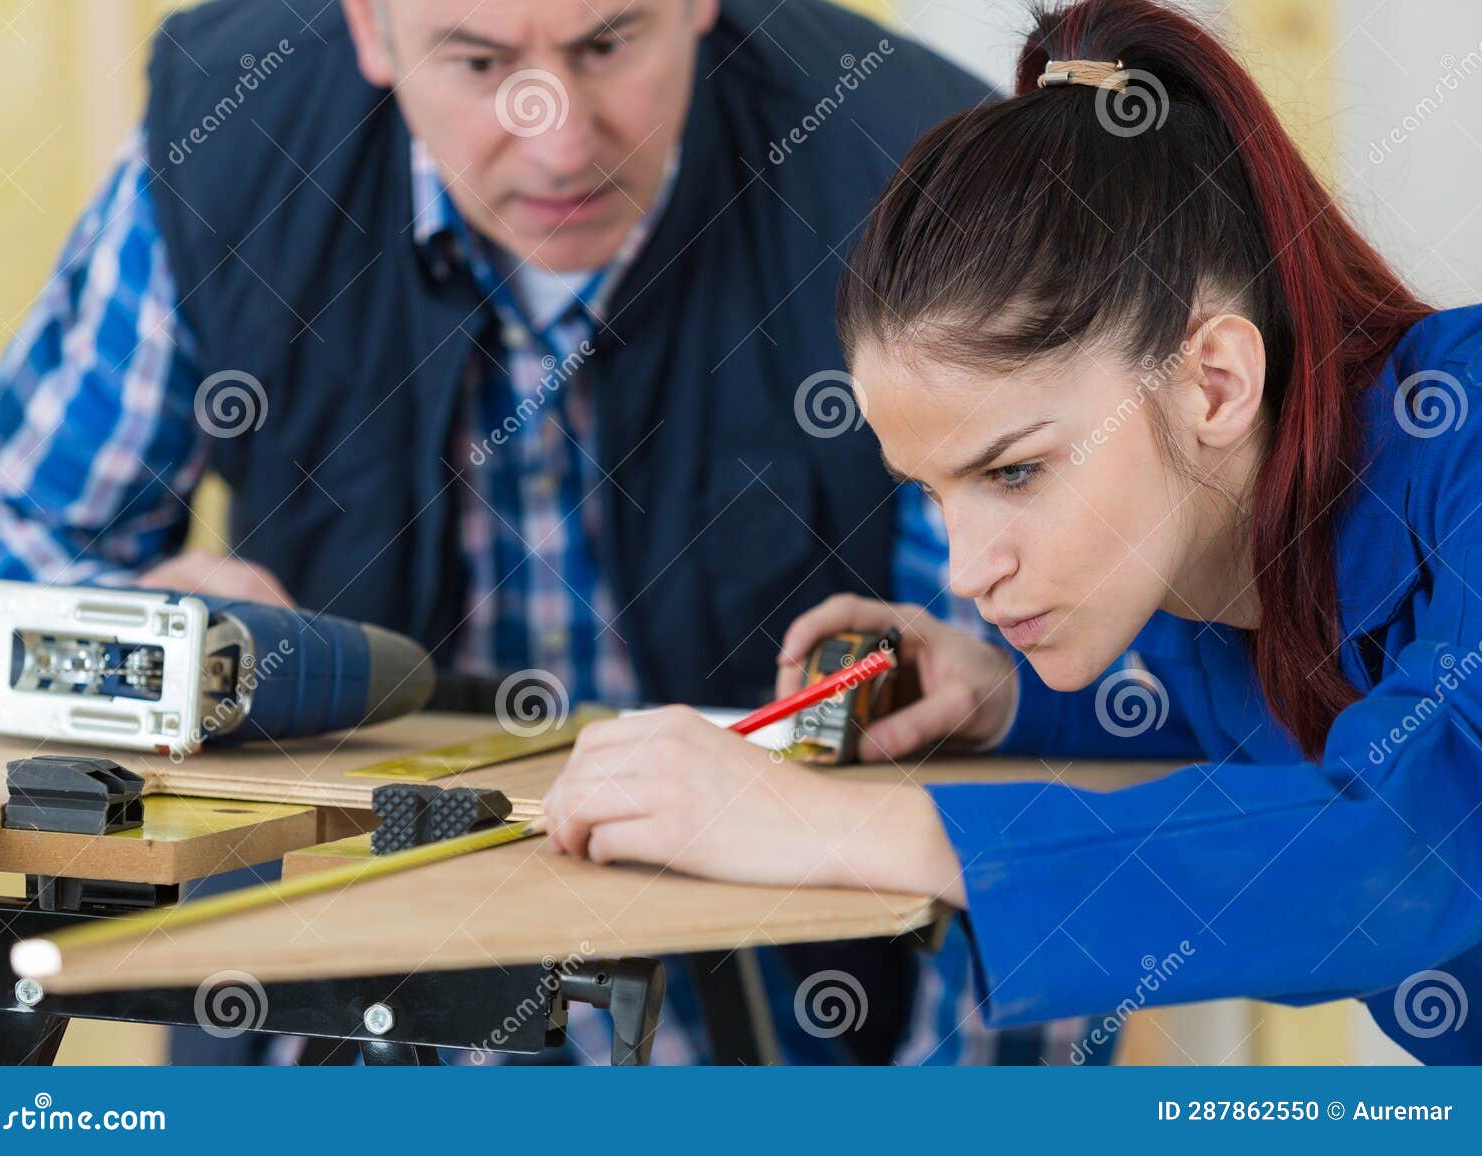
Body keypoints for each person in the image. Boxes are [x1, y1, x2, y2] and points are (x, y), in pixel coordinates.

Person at [0, 0, 1101, 1065]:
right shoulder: (229, 138)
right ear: (370, 25)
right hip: (316, 1017)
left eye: (607, 39)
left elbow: (1028, 751)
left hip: (766, 1035)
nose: (559, 137)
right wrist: (138, 620)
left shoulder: (908, 171)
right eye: (477, 61)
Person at [541, 0, 1482, 1064]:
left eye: (1016, 470)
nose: (969, 568)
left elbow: (1407, 846)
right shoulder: (1201, 552)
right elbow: (1256, 707)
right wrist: (1001, 696)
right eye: (934, 494)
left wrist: (827, 827)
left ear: (1213, 382)